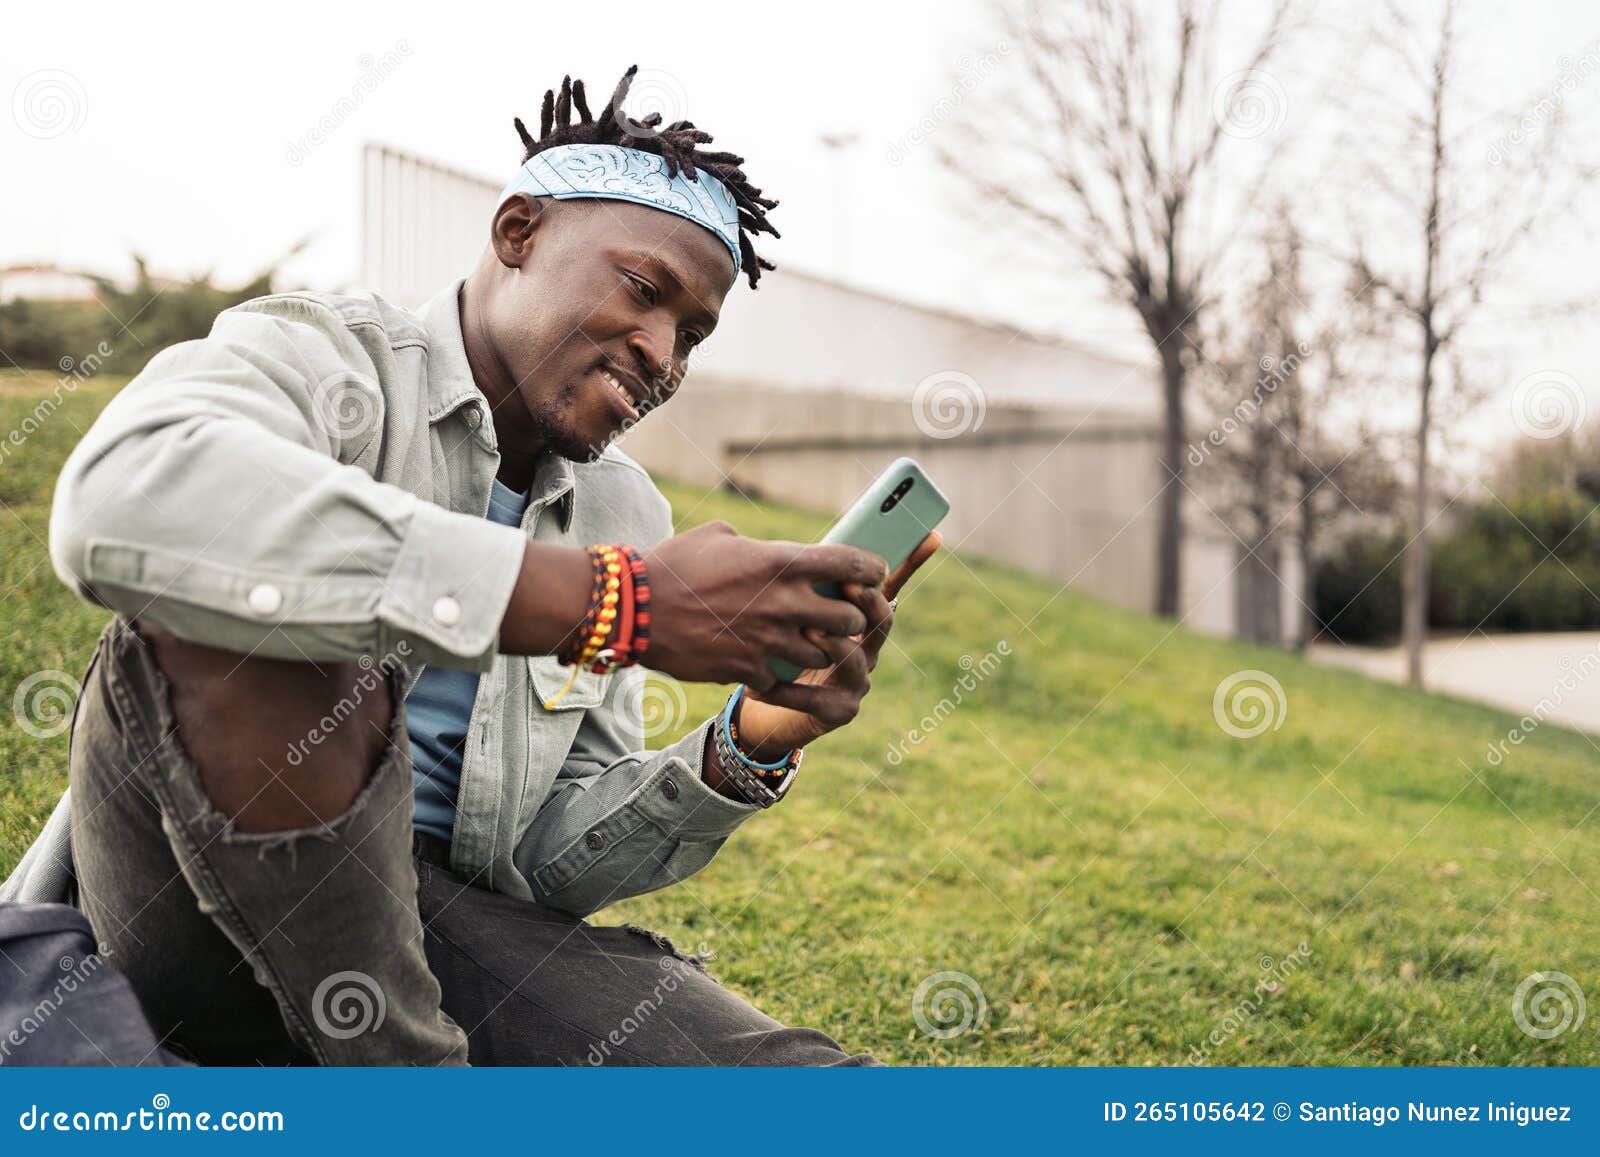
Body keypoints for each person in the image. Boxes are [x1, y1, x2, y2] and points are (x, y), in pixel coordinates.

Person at [1, 66, 939, 1066]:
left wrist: (746, 743)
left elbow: (541, 861)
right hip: (189, 910)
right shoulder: (326, 358)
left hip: (439, 933)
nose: (662, 350)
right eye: (643, 289)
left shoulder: (623, 510)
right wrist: (616, 602)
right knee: (280, 619)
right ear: (518, 232)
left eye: (693, 334)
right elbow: (126, 491)